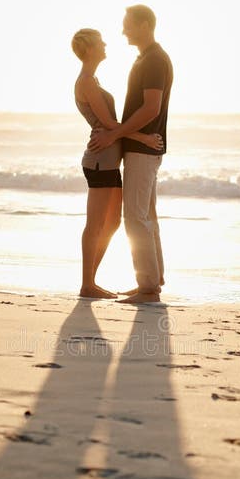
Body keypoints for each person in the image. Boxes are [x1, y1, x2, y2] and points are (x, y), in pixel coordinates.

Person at [89, 5, 173, 304]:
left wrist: (115, 134)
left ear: (145, 25)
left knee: (135, 218)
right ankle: (153, 281)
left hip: (143, 150)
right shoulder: (147, 58)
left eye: (128, 24)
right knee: (146, 216)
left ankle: (148, 288)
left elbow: (151, 108)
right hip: (143, 148)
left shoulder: (154, 60)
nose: (123, 30)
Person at [72, 28, 162, 299]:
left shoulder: (93, 79)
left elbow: (109, 125)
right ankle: (87, 284)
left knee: (111, 222)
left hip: (109, 160)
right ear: (90, 49)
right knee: (95, 224)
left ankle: (91, 280)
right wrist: (144, 138)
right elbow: (109, 124)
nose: (105, 45)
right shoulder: (87, 81)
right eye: (100, 42)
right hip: (100, 160)